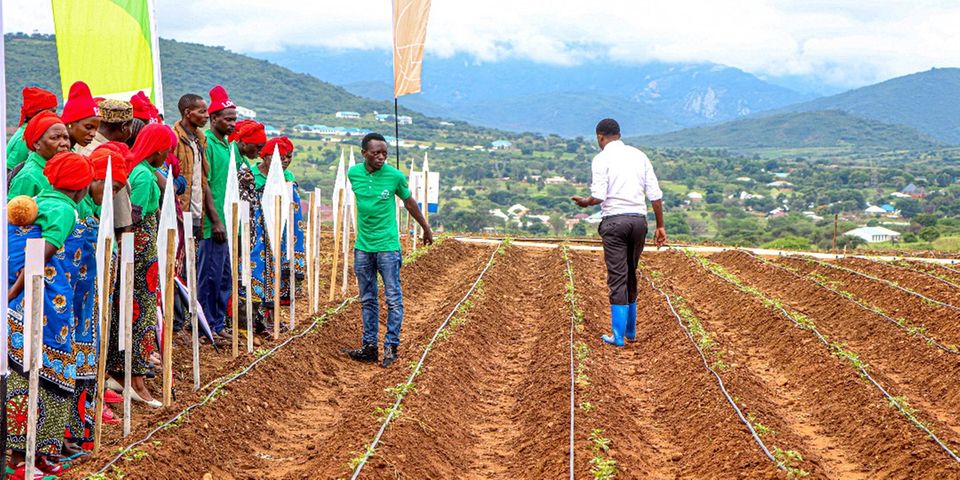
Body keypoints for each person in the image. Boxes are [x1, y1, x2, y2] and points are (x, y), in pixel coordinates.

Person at [5, 152, 93, 478]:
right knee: (42, 374)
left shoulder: (40, 200)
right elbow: (41, 254)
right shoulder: (66, 210)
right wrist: (14, 292)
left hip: (35, 303)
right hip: (43, 304)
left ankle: (33, 454)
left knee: (27, 369)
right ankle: (23, 459)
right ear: (82, 188)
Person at [572, 118, 667, 347]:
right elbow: (655, 195)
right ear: (619, 134)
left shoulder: (601, 159)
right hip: (638, 222)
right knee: (631, 273)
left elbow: (599, 196)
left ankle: (618, 336)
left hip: (615, 222)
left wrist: (585, 202)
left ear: (600, 137)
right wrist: (660, 226)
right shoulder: (639, 156)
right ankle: (631, 331)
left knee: (617, 276)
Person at [343, 133, 433, 368]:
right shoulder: (353, 174)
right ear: (364, 154)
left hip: (387, 248)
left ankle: (391, 346)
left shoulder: (394, 176)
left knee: (393, 298)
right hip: (363, 246)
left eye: (384, 153)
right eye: (376, 153)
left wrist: (425, 227)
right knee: (367, 298)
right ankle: (369, 346)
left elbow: (409, 202)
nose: (381, 157)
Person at [105, 123, 176, 409]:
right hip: (140, 255)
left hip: (138, 255)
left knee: (133, 312)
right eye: (167, 151)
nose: (167, 157)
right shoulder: (145, 177)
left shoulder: (139, 171)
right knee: (140, 313)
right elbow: (133, 220)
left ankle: (124, 375)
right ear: (158, 150)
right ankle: (134, 380)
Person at [65, 145, 129, 452]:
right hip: (75, 306)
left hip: (91, 304)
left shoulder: (92, 208)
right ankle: (72, 433)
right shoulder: (76, 212)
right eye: (111, 187)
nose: (112, 194)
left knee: (88, 364)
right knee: (75, 366)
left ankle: (82, 429)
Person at [198, 85, 246, 341]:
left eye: (234, 119)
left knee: (224, 277)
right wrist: (215, 219)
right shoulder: (208, 145)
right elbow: (204, 183)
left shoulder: (228, 146)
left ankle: (217, 324)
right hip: (213, 224)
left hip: (229, 221)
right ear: (213, 118)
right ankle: (206, 326)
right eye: (227, 119)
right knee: (209, 277)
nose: (231, 124)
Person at [246, 137, 293, 339]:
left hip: (278, 232)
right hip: (257, 233)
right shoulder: (253, 175)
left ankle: (273, 317)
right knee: (258, 273)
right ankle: (258, 320)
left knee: (276, 273)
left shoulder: (287, 176)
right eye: (280, 157)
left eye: (288, 157)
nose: (285, 162)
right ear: (265, 156)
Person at [7, 111, 71, 199]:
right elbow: (16, 211)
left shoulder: (63, 169)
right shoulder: (28, 178)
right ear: (36, 143)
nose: (64, 143)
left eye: (66, 137)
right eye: (55, 138)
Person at [172, 94, 209, 236]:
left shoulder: (200, 140)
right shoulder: (174, 138)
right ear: (187, 113)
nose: (206, 116)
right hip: (181, 212)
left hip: (197, 212)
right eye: (202, 112)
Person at [7, 86, 58, 169]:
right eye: (51, 112)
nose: (54, 116)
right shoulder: (24, 139)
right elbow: (9, 172)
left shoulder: (34, 132)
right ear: (36, 113)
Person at [61, 81, 102, 153]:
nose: (93, 134)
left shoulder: (70, 150)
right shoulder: (53, 154)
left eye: (96, 129)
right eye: (88, 127)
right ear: (70, 123)